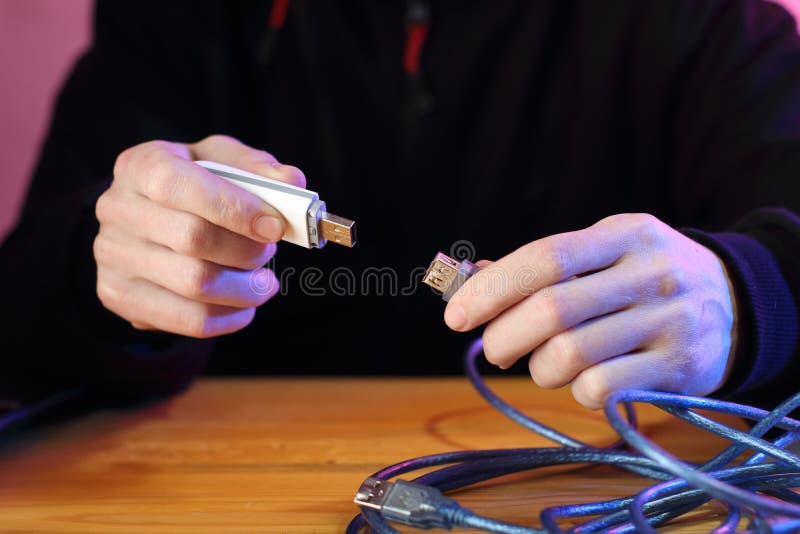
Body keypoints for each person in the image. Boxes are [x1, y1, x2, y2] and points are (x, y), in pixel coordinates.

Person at [0, 0, 798, 413]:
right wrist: (103, 271)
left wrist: (747, 297)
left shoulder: (703, 22)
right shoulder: (179, 19)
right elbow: (23, 315)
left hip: (582, 486)